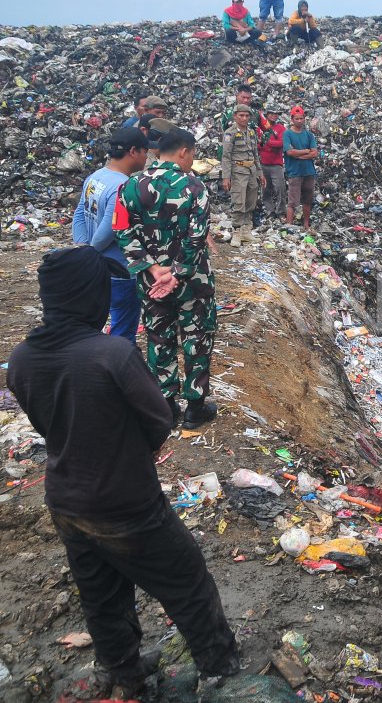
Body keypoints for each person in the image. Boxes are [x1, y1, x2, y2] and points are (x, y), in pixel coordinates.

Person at [5, 246, 240, 701]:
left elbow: (47, 424)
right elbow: (159, 419)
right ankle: (219, 666)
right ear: (88, 297)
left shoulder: (21, 359)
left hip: (66, 502)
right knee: (186, 579)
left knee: (101, 592)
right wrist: (132, 451)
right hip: (125, 502)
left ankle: (123, 670)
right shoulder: (113, 353)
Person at [114, 128, 218, 431]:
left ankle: (167, 406)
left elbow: (121, 230)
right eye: (193, 154)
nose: (192, 160)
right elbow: (197, 236)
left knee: (159, 339)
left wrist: (152, 268)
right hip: (193, 282)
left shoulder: (130, 186)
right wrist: (178, 273)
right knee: (197, 338)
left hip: (152, 282)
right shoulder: (194, 187)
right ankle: (195, 409)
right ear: (183, 151)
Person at [72, 127, 149, 345]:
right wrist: (90, 253)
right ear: (133, 151)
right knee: (123, 332)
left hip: (96, 269)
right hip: (120, 270)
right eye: (145, 152)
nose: (146, 158)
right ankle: (117, 365)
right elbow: (109, 230)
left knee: (92, 324)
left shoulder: (96, 177)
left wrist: (83, 248)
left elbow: (80, 212)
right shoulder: (122, 186)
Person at [220, 104, 264, 247]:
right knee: (239, 202)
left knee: (251, 202)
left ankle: (246, 230)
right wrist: (226, 177)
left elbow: (255, 154)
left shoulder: (251, 132)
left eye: (247, 116)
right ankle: (237, 232)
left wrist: (260, 172)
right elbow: (226, 156)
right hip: (238, 171)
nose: (244, 118)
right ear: (235, 116)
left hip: (251, 171)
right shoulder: (230, 133)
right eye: (241, 115)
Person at [283, 106, 318, 231]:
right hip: (294, 172)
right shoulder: (287, 134)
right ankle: (289, 225)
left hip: (309, 172)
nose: (299, 121)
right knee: (293, 201)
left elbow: (314, 153)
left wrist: (300, 155)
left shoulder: (309, 135)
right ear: (292, 119)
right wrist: (306, 151)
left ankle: (306, 225)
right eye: (296, 118)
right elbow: (290, 152)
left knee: (307, 200)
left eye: (301, 118)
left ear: (304, 119)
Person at [260, 104, 287, 221]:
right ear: (267, 114)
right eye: (271, 113)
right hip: (262, 164)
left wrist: (267, 142)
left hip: (276, 164)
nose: (274, 116)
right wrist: (271, 144)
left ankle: (281, 212)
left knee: (280, 188)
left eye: (276, 114)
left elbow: (281, 143)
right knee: (265, 189)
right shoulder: (260, 128)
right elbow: (257, 145)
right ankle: (269, 211)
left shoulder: (281, 128)